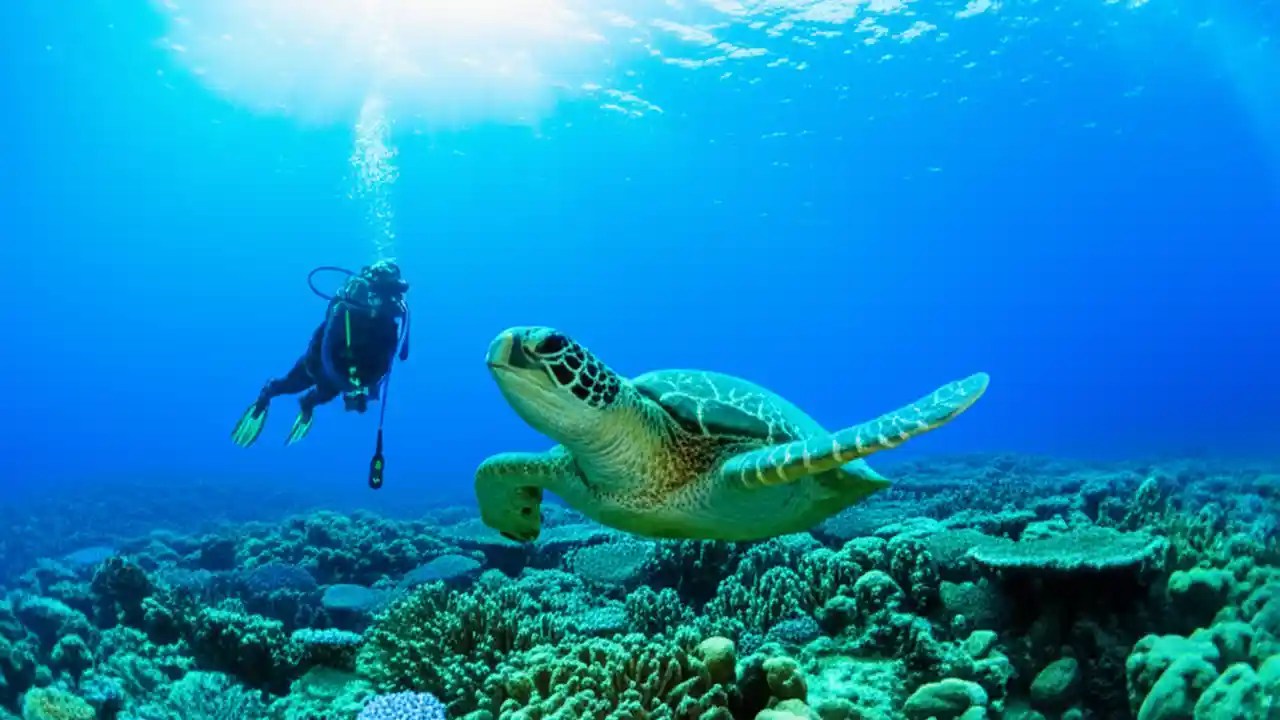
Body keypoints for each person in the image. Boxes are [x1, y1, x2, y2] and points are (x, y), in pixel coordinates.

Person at [231, 260, 410, 447]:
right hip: (322, 367)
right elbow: (330, 342)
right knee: (296, 387)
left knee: (311, 392)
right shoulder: (352, 304)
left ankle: (300, 404)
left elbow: (385, 362)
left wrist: (362, 389)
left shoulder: (385, 318)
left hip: (335, 372)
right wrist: (359, 388)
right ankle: (268, 400)